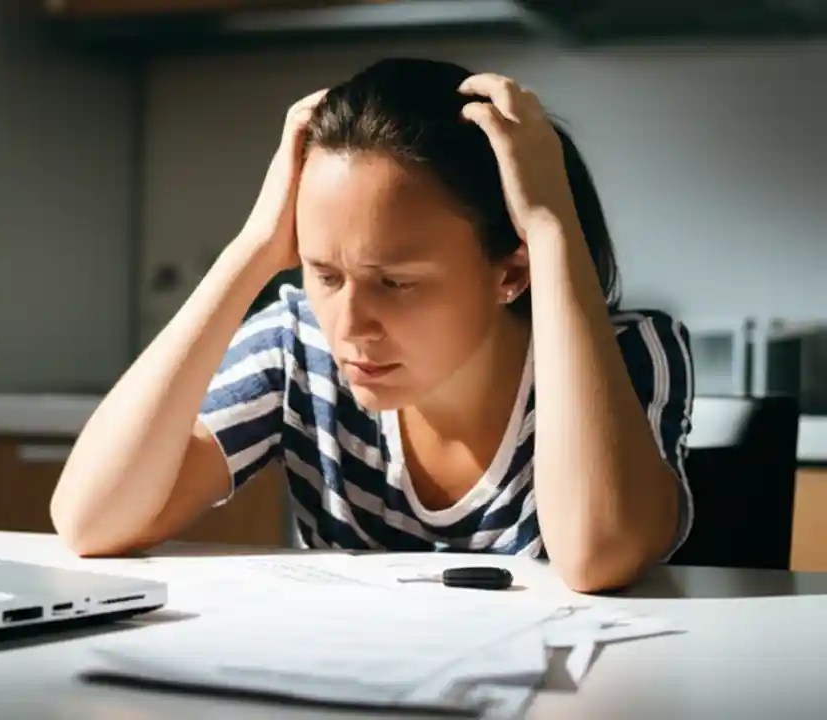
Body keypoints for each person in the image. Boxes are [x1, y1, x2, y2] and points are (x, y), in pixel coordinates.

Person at [50, 58, 693, 593]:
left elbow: (596, 556)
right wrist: (253, 247)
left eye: (397, 282)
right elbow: (90, 520)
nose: (350, 327)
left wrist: (552, 228)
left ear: (512, 270)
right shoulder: (297, 342)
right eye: (325, 274)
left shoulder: (628, 352)